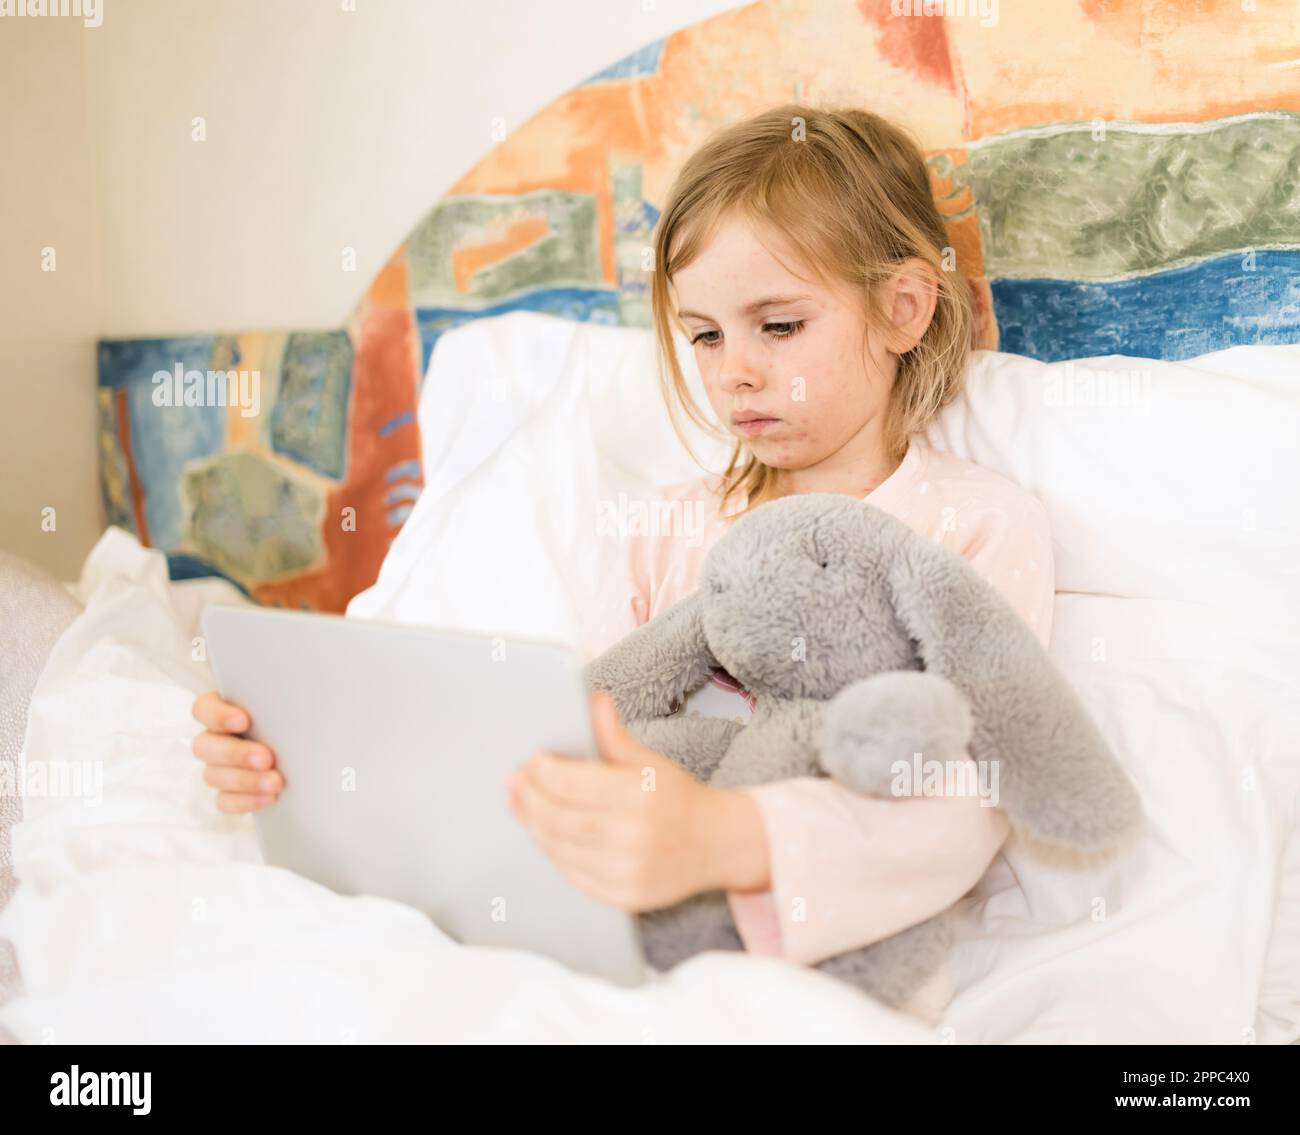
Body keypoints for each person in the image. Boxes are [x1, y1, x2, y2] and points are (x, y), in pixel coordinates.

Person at [192, 104, 1054, 1023]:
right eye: (707, 335)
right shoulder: (668, 527)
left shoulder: (973, 526)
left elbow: (965, 804)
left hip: (831, 975)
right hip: (618, 944)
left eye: (779, 325)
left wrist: (729, 839)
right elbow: (586, 726)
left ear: (902, 308)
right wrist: (313, 762)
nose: (735, 374)